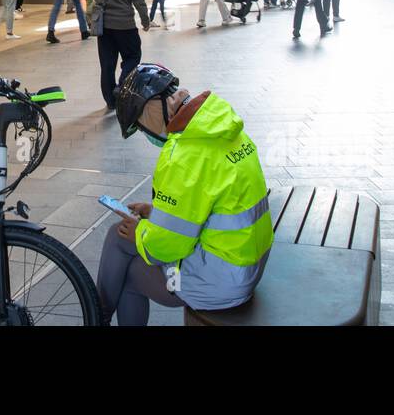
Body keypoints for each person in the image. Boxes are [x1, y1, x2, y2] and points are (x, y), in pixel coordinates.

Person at [99, 64, 272, 326]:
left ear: (151, 112)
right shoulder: (220, 127)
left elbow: (164, 248)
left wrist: (141, 233)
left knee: (126, 265)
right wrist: (155, 214)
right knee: (124, 244)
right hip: (246, 264)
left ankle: (95, 315)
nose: (146, 135)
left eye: (140, 125)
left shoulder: (182, 154)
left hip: (218, 282)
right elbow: (209, 207)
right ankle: (96, 314)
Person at [87, 0, 151, 111]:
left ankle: (110, 101)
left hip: (103, 28)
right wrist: (145, 20)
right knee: (132, 56)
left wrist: (89, 14)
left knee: (107, 64)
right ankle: (121, 85)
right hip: (125, 26)